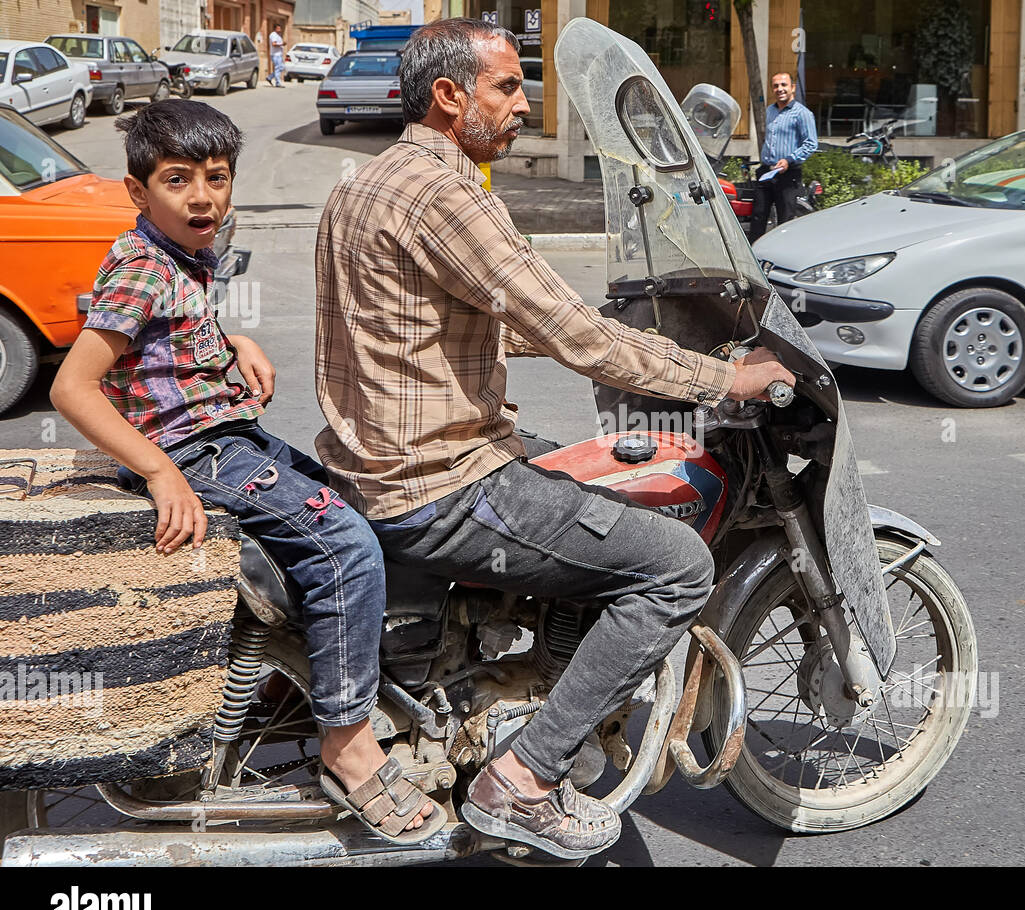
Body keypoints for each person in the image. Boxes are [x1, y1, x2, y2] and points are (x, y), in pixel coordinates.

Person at [314, 18, 794, 860]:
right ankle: (524, 779)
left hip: (377, 462)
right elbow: (570, 331)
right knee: (677, 565)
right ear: (450, 95)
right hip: (438, 481)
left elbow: (442, 325)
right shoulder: (448, 193)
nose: (524, 103)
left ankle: (528, 681)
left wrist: (615, 330)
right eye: (506, 86)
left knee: (587, 473)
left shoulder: (371, 182)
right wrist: (721, 377)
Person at [49, 100, 441, 846]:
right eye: (178, 180)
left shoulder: (178, 255)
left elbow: (170, 331)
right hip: (196, 454)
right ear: (139, 193)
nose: (204, 196)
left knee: (359, 495)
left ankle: (291, 680)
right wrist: (162, 474)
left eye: (217, 177)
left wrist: (234, 339)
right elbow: (74, 387)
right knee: (345, 546)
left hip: (226, 435)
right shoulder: (140, 268)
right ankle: (347, 747)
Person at [749, 71, 818, 242]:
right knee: (757, 217)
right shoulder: (770, 111)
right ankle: (753, 259)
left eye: (784, 85)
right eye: (776, 86)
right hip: (766, 172)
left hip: (788, 176)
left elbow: (811, 143)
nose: (780, 89)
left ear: (792, 88)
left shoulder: (802, 114)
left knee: (784, 222)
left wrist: (789, 159)